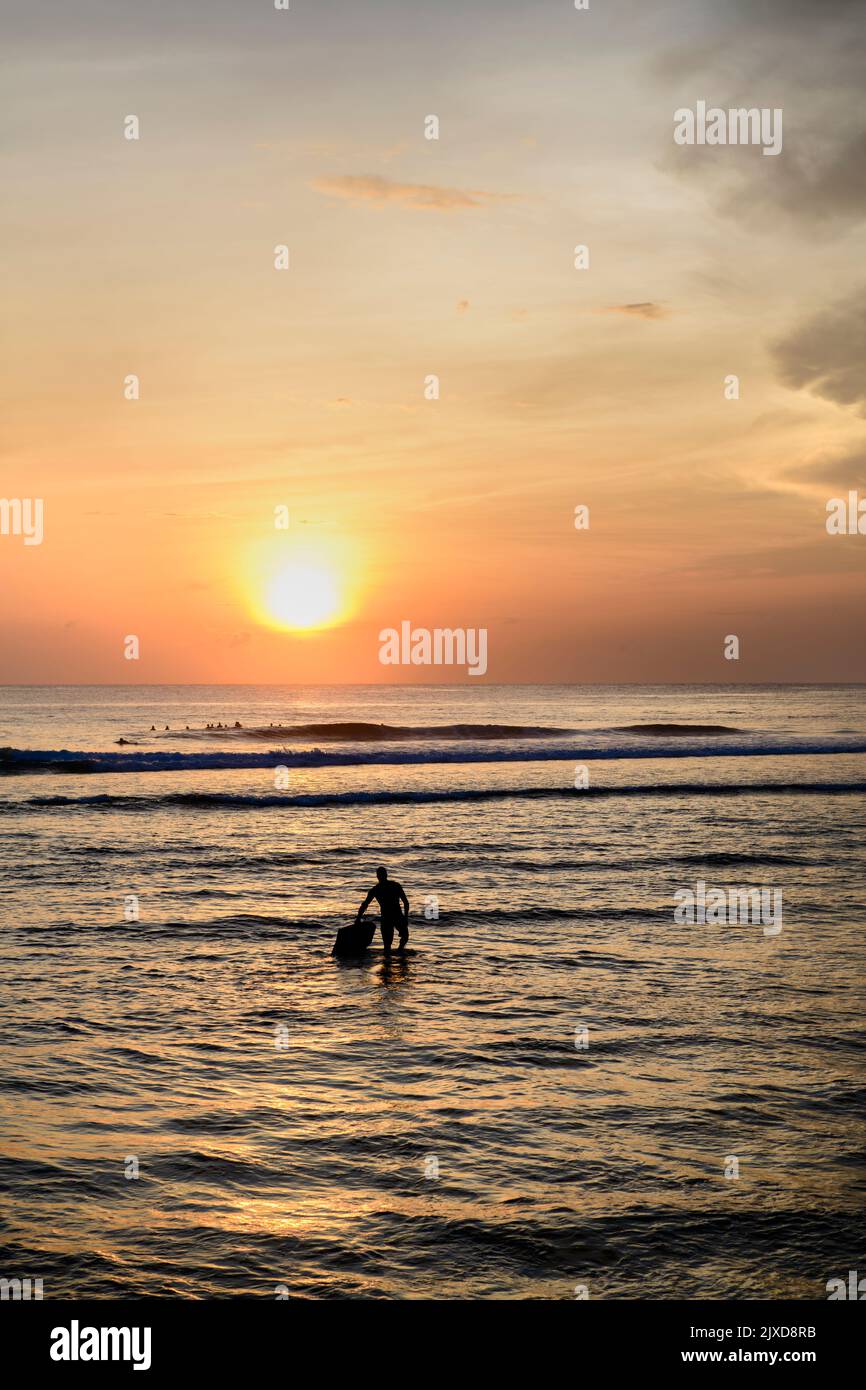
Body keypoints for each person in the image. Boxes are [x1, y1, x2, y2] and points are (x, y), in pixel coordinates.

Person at [356, 866, 409, 953]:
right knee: (404, 937)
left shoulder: (376, 889)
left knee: (388, 946)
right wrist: (405, 917)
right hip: (396, 916)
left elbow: (365, 905)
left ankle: (395, 955)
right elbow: (406, 903)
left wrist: (358, 918)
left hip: (388, 917)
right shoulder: (395, 886)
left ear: (377, 876)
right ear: (386, 875)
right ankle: (400, 952)